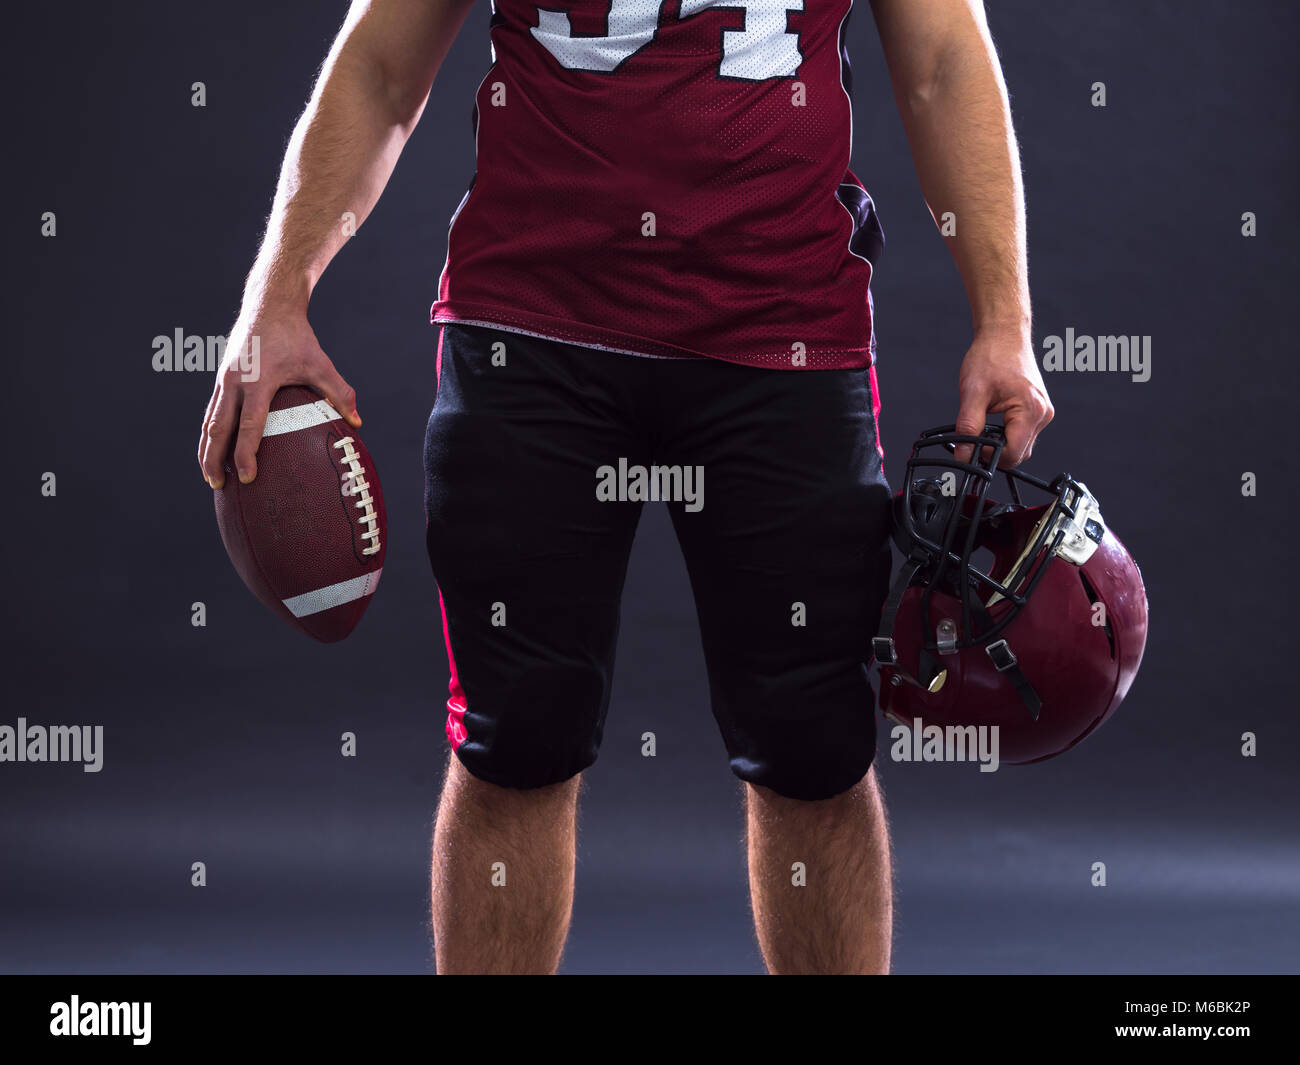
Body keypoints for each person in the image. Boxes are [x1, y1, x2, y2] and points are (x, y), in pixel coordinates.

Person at [197, 0, 1053, 974]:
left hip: (782, 330)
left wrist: (1005, 319)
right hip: (533, 330)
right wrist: (275, 294)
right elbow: (381, 67)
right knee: (510, 742)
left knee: (814, 747)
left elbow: (941, 58)